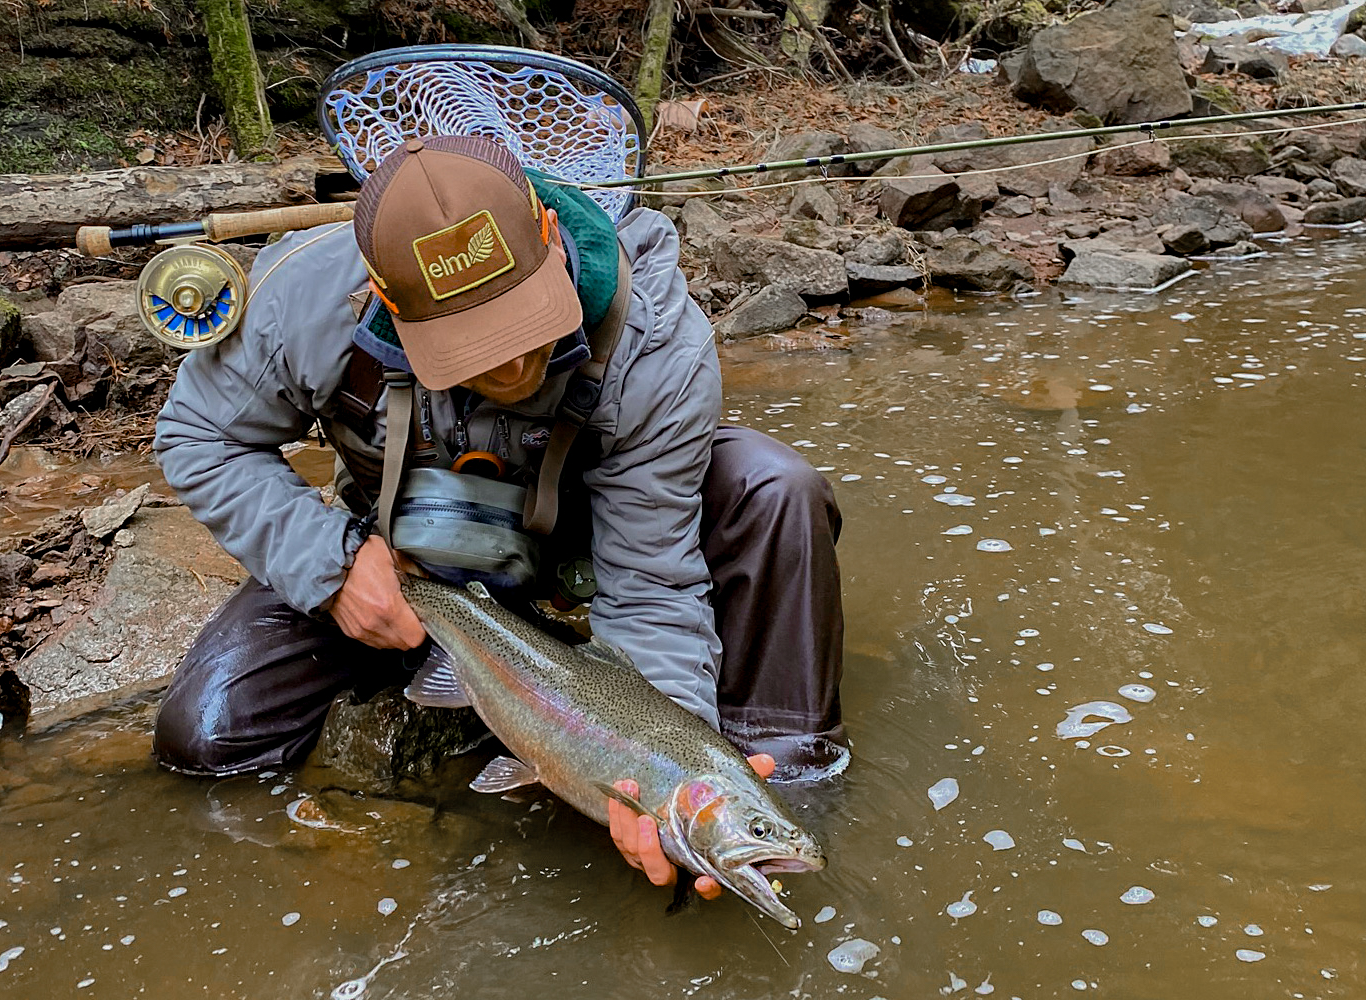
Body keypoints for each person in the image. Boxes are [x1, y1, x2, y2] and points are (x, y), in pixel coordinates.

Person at [151, 134, 845, 900]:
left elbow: (650, 586)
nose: (512, 367)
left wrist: (665, 764)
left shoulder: (653, 341)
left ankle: (783, 774)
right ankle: (460, 669)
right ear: (387, 303)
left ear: (548, 234)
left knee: (771, 487)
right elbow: (200, 437)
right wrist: (335, 567)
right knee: (205, 737)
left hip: (586, 545)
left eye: (525, 322)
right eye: (467, 350)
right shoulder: (301, 300)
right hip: (403, 559)